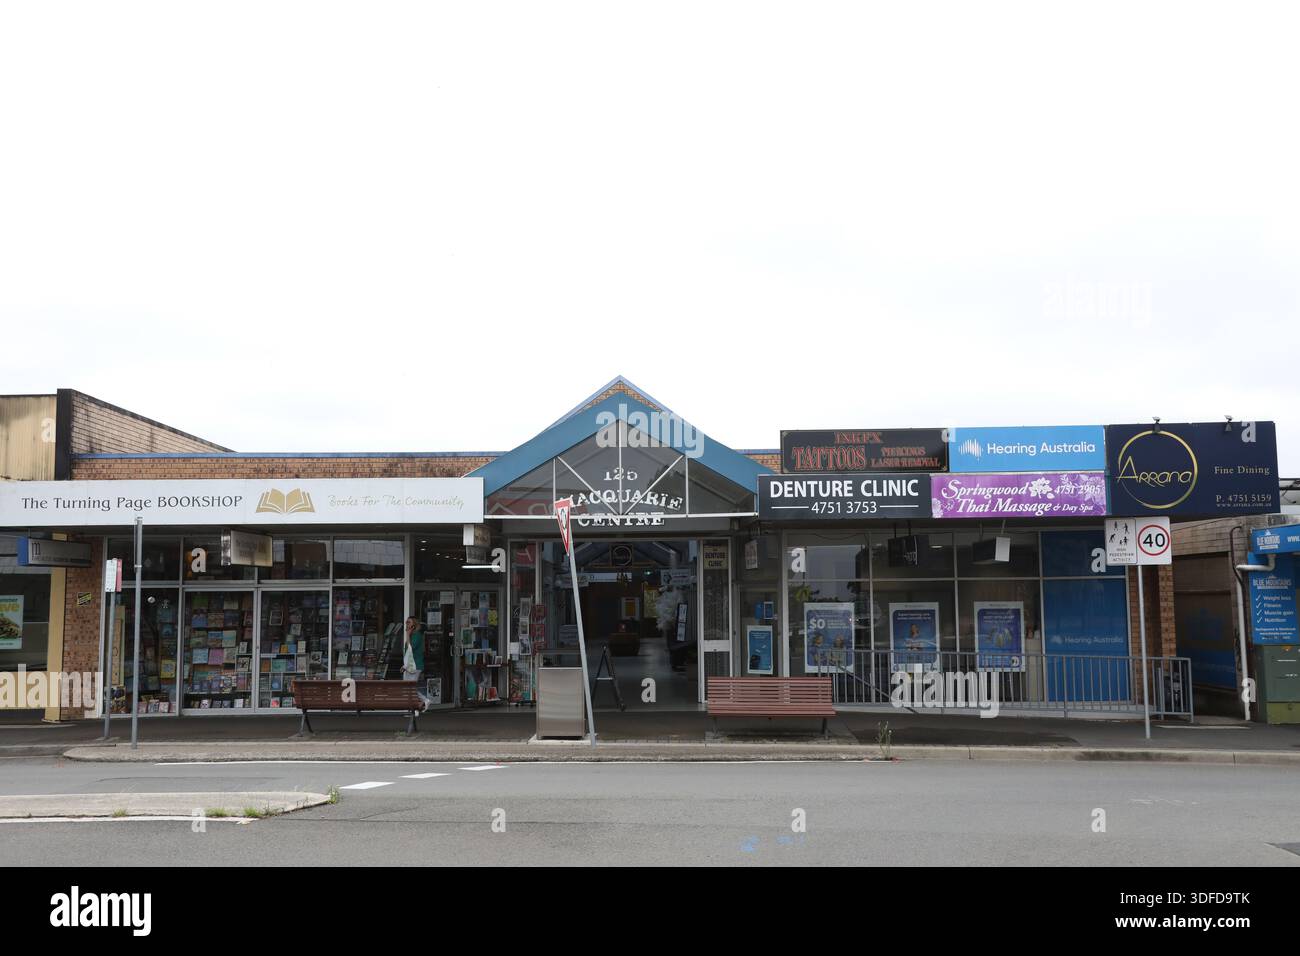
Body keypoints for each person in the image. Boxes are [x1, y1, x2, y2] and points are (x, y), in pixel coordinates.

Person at [402, 616, 430, 711]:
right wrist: (405, 665)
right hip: (410, 666)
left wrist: (408, 635)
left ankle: (423, 701)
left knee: (410, 688)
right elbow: (408, 654)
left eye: (409, 622)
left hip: (416, 666)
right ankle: (417, 704)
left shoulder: (417, 635)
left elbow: (411, 649)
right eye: (406, 622)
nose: (407, 624)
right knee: (408, 688)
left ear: (414, 625)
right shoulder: (412, 635)